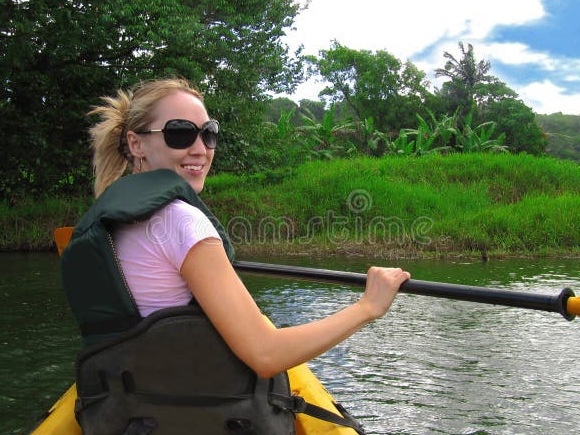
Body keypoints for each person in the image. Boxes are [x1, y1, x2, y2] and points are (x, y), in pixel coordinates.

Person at [85, 77, 411, 379]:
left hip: (129, 390)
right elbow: (266, 354)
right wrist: (368, 307)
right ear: (136, 144)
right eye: (180, 133)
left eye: (208, 133)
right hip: (180, 400)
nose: (200, 149)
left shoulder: (114, 218)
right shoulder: (180, 221)